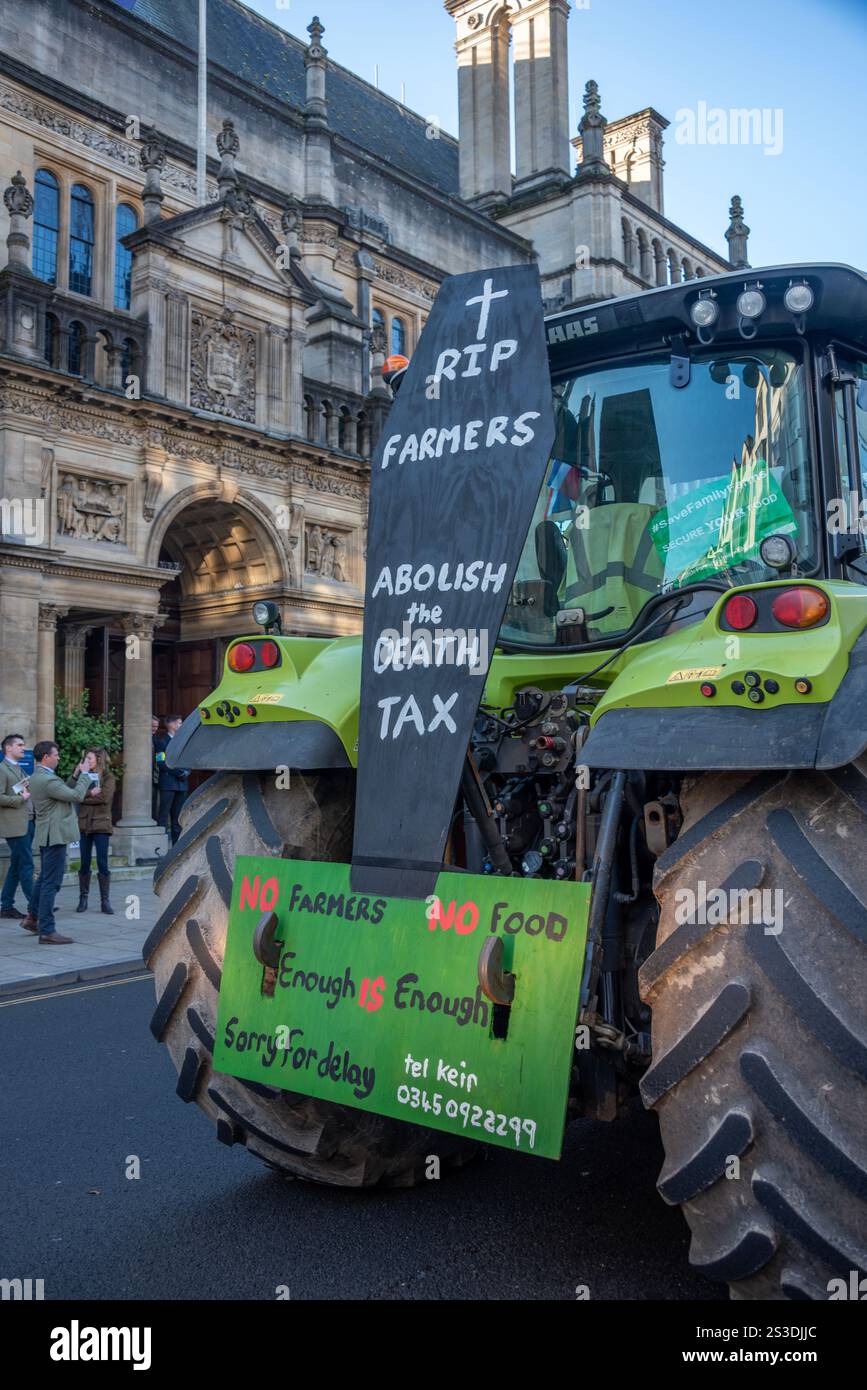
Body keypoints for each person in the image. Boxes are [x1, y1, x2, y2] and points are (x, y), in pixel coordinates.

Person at [21, 741, 98, 944]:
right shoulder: (47, 779)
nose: (59, 758)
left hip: (48, 834)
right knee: (51, 883)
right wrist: (85, 773)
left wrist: (74, 776)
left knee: (44, 878)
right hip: (55, 836)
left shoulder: (39, 777)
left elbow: (62, 792)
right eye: (56, 755)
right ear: (46, 756)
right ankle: (47, 930)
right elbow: (76, 795)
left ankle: (32, 917)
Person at [73, 747, 117, 915]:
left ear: (98, 759)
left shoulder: (108, 777)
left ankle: (105, 901)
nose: (86, 761)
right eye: (85, 758)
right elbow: (72, 793)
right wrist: (87, 791)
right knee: (84, 862)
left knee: (102, 862)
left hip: (101, 825)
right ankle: (83, 898)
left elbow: (104, 798)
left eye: (89, 758)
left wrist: (83, 796)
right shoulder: (83, 776)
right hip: (84, 825)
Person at [0, 733, 34, 921]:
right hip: (14, 826)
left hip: (27, 822)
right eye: (20, 745)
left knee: (16, 866)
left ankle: (6, 906)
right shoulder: (2, 769)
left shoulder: (19, 769)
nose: (23, 748)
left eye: (23, 744)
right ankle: (36, 906)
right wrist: (19, 799)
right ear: (8, 748)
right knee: (26, 865)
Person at [155, 715, 189, 845]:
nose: (181, 726)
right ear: (172, 724)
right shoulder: (161, 742)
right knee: (164, 815)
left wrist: (186, 772)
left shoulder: (182, 741)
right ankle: (160, 847)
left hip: (182, 784)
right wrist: (178, 772)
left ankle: (176, 846)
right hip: (168, 784)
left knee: (178, 818)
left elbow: (187, 758)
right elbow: (161, 762)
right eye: (180, 723)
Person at [151, 715, 161, 821]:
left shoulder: (157, 740)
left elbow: (159, 758)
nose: (155, 729)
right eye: (152, 726)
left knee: (154, 801)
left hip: (154, 776)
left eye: (156, 726)